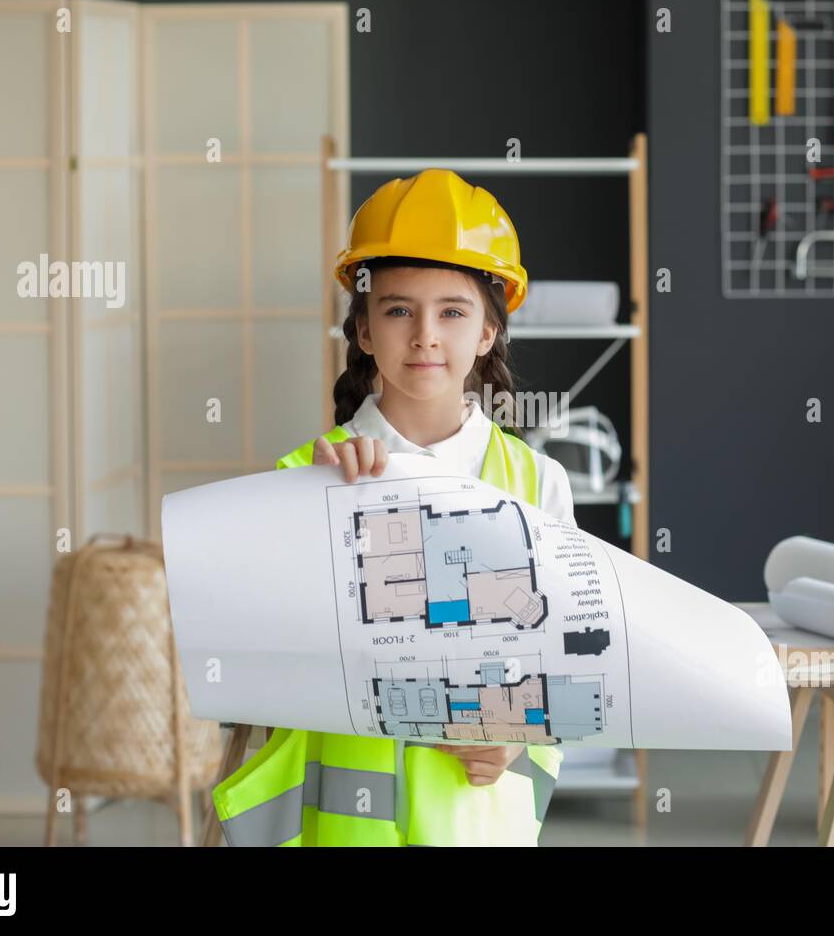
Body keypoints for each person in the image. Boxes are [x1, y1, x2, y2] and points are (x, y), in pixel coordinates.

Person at [211, 168, 576, 846]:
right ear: (364, 329)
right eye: (399, 310)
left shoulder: (537, 484)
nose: (426, 335)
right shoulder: (305, 478)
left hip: (475, 826)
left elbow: (571, 656)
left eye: (453, 312)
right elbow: (250, 669)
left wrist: (520, 734)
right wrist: (318, 517)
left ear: (489, 331)